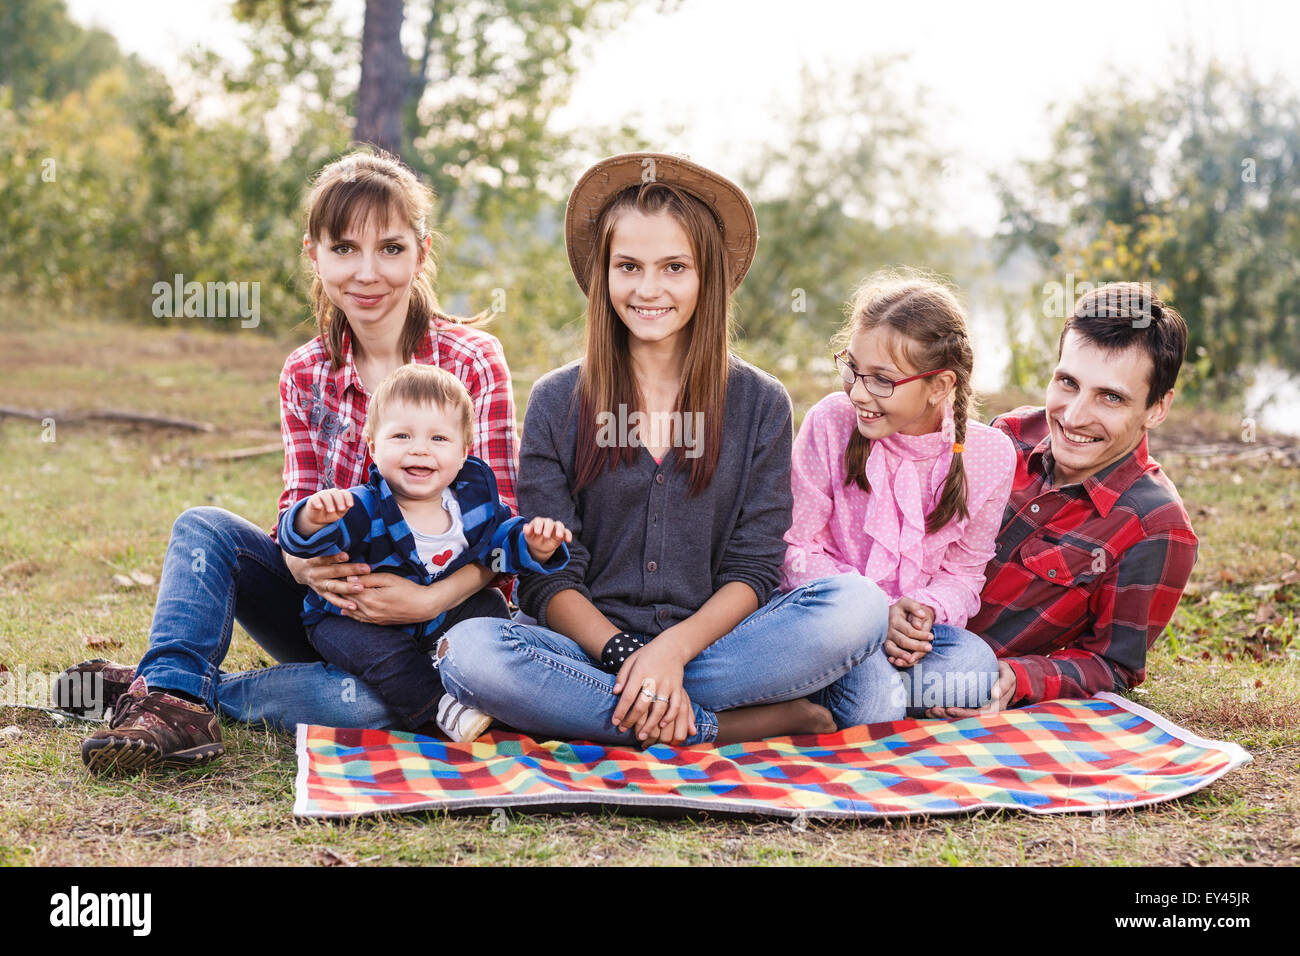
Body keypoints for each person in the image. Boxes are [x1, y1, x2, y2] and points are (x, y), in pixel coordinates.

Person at [66, 148, 522, 773]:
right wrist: (307, 570)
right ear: (314, 253)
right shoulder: (306, 371)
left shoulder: (471, 361)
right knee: (204, 526)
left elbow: (505, 524)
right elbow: (295, 509)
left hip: (441, 623)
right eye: (344, 249)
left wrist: (426, 601)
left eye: (390, 248)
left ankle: (173, 690)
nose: (367, 273)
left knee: (364, 706)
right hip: (334, 613)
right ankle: (173, 697)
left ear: (422, 250)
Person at [436, 152, 889, 749]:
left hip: (717, 647)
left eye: (674, 266)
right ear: (604, 275)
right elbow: (548, 579)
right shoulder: (556, 401)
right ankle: (714, 726)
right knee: (469, 652)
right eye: (629, 266)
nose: (649, 290)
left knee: (856, 607)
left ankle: (606, 709)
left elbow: (752, 571)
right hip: (589, 648)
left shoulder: (760, 404)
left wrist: (670, 655)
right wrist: (629, 653)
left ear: (708, 276)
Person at [923, 283, 1198, 717]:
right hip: (893, 622)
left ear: (1157, 408)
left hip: (955, 673)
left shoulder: (1155, 526)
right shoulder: (1007, 435)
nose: (1073, 417)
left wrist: (1018, 678)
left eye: (1111, 397)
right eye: (1068, 383)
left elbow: (1113, 665)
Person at [278, 363, 571, 741]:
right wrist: (311, 519)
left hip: (438, 620)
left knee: (491, 610)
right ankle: (436, 709)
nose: (420, 449)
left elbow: (498, 550)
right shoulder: (363, 507)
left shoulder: (475, 504)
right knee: (384, 657)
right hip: (357, 621)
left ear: (464, 452)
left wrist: (533, 545)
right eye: (401, 436)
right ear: (372, 446)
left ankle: (472, 683)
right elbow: (306, 540)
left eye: (438, 439)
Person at [781, 272, 1017, 721]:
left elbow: (964, 574)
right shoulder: (832, 421)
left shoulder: (989, 455)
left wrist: (923, 613)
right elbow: (796, 549)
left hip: (910, 633)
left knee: (973, 670)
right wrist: (878, 612)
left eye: (882, 380)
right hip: (828, 617)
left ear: (940, 386)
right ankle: (857, 696)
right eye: (852, 367)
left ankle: (848, 693)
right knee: (876, 706)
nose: (857, 391)